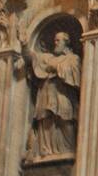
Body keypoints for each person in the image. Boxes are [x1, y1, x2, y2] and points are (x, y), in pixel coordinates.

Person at [23, 30, 80, 160]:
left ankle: (68, 149)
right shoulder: (48, 58)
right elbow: (31, 57)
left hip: (62, 95)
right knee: (46, 122)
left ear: (66, 42)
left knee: (65, 119)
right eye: (54, 40)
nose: (55, 43)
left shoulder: (73, 58)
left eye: (58, 40)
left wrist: (57, 68)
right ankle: (45, 151)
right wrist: (24, 44)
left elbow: (76, 76)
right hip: (46, 95)